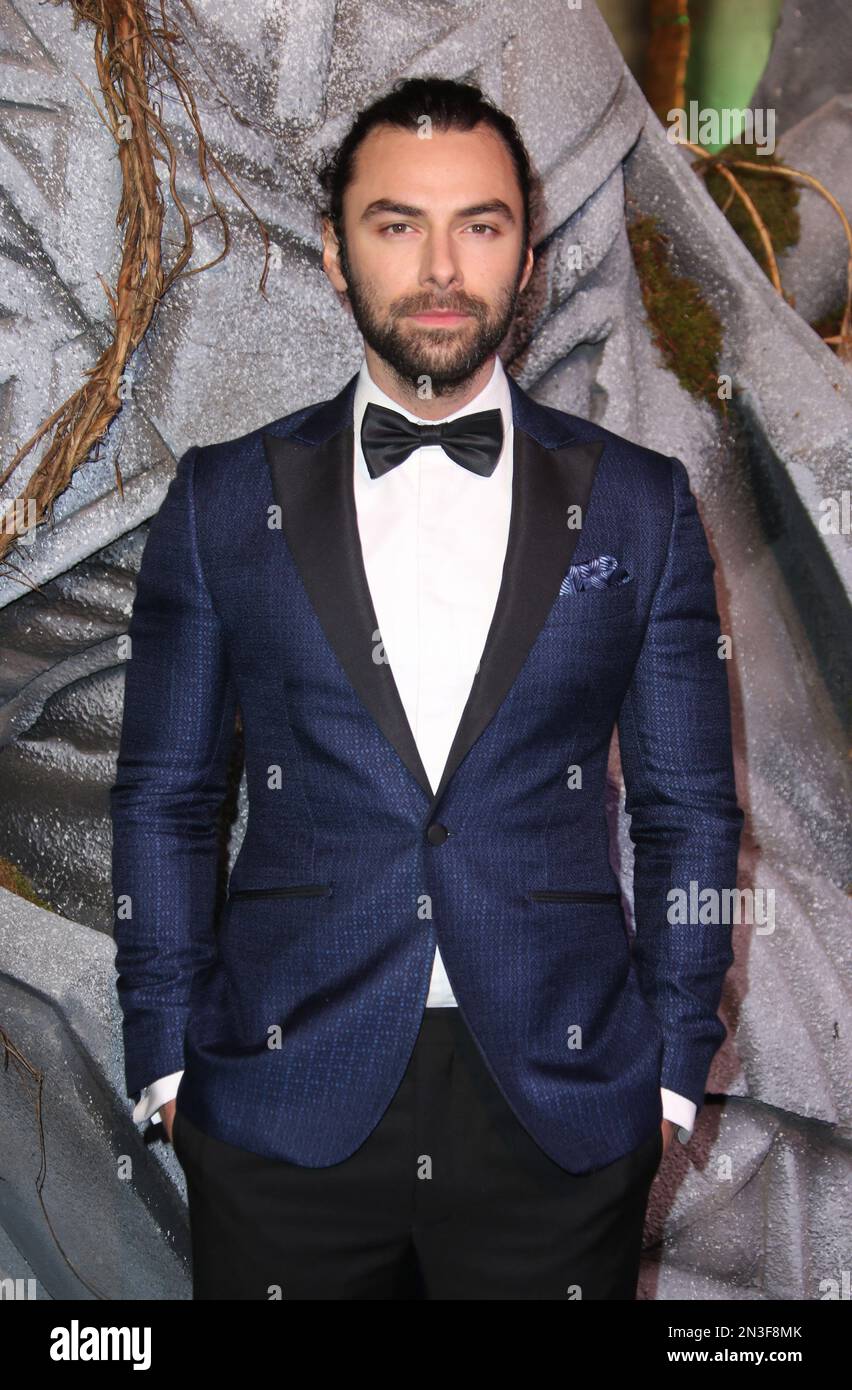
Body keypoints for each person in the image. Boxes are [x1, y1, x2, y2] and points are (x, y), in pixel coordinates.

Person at [111, 76, 743, 1300]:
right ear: (339, 258)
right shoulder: (222, 501)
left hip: (559, 1113)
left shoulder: (640, 502)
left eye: (483, 224)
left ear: (528, 252)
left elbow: (692, 818)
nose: (442, 266)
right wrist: (168, 1069)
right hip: (280, 1102)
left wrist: (666, 1081)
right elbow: (164, 799)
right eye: (398, 225)